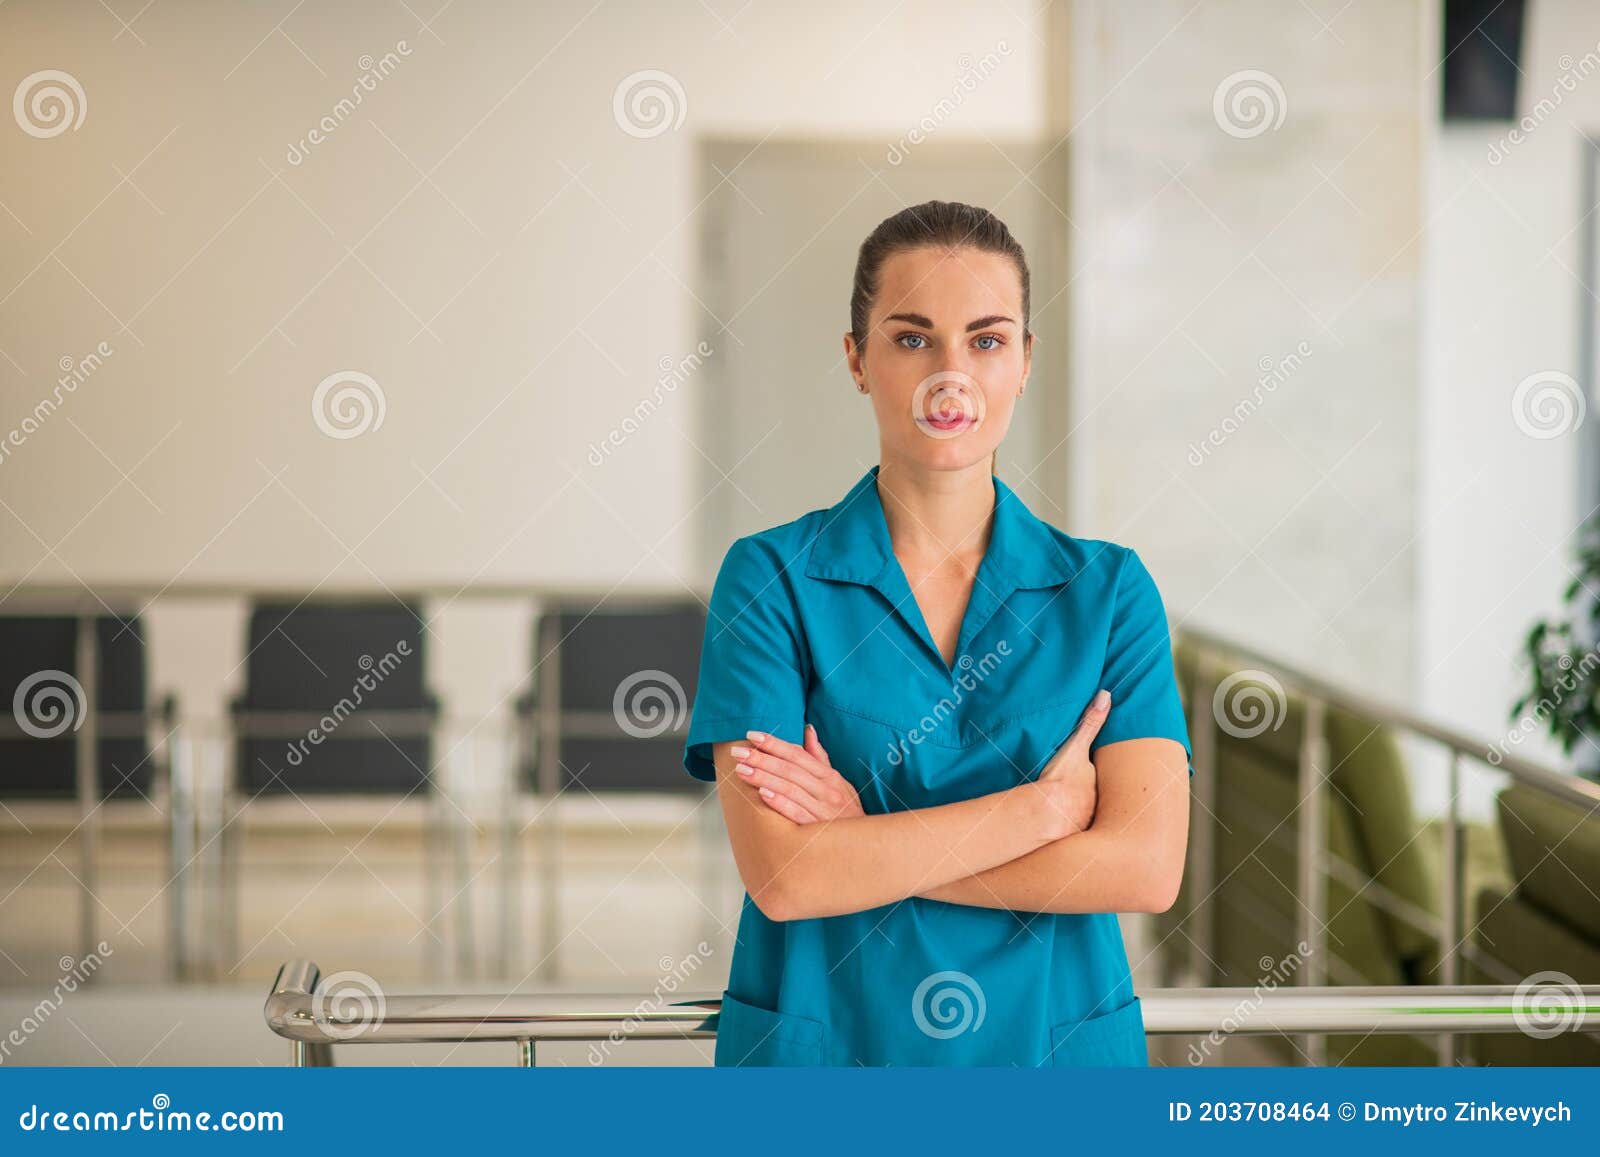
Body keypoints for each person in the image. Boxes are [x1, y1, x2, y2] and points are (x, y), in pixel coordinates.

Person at [681, 199, 1192, 1067]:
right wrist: (1044, 812)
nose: (949, 374)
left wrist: (863, 835)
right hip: (832, 1047)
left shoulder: (1108, 591)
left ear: (1026, 361)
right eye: (912, 338)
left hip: (1052, 1051)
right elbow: (787, 876)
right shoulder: (769, 579)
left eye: (988, 340)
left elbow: (1143, 868)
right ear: (857, 359)